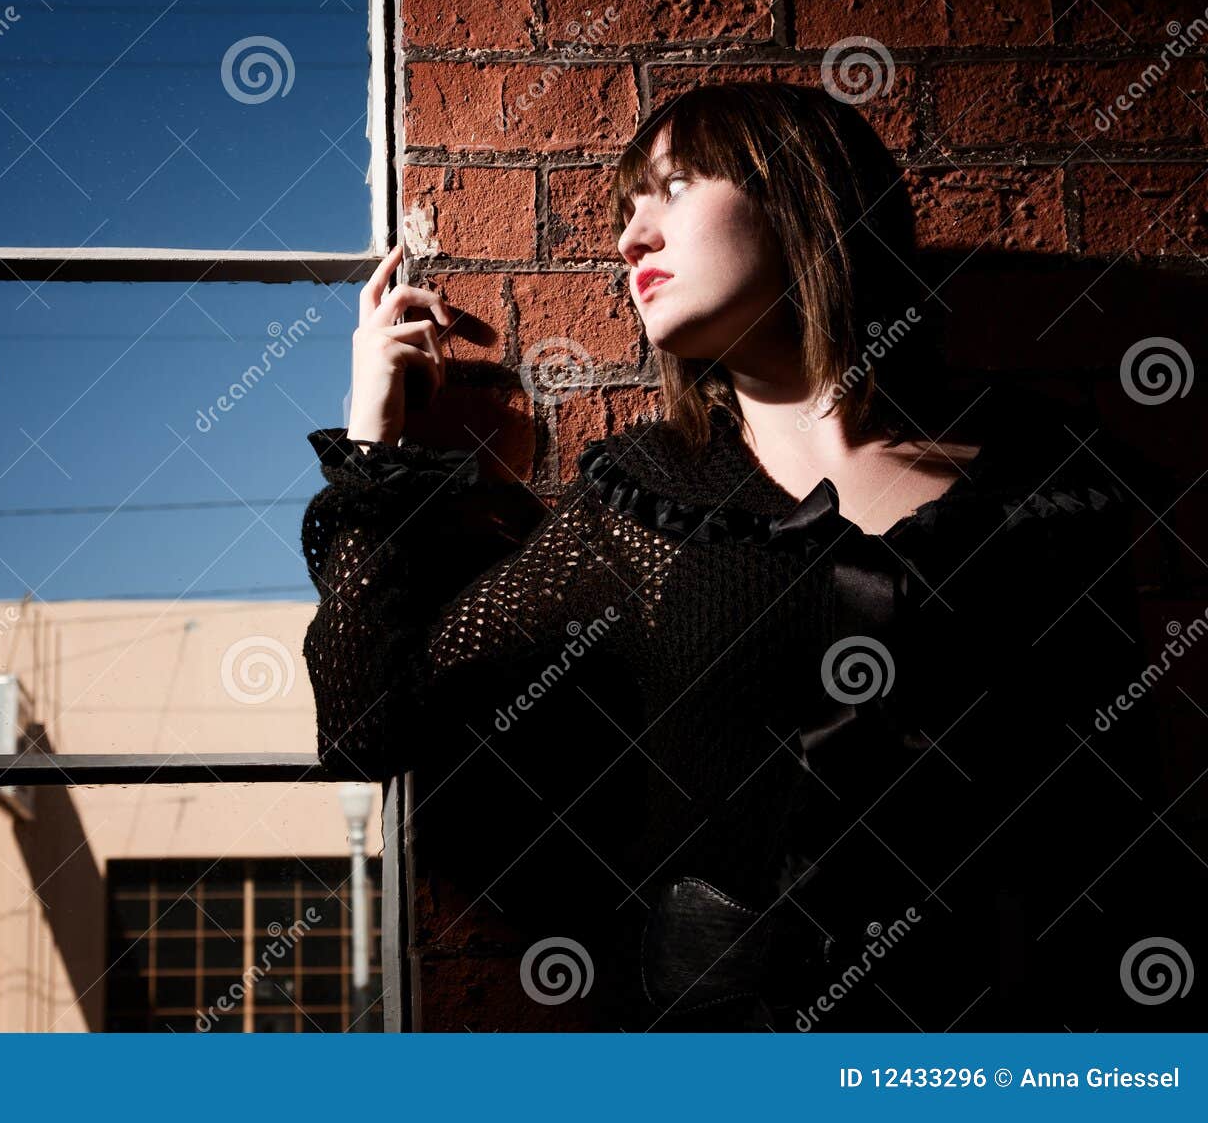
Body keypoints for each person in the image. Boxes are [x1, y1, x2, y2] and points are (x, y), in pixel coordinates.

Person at [299, 82, 1173, 1031]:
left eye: (671, 189)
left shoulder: (1039, 488)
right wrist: (374, 431)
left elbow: (1113, 844)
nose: (632, 239)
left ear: (802, 195)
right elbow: (370, 723)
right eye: (624, 212)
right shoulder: (642, 504)